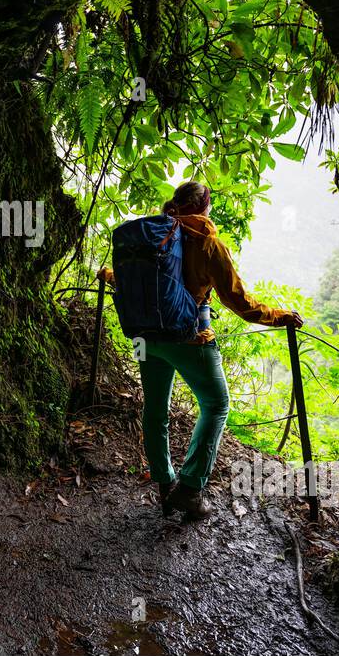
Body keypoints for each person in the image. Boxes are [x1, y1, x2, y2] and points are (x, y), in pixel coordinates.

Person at [101, 181, 303, 521]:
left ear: (175, 204)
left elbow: (130, 280)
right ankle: (191, 489)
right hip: (189, 339)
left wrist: (106, 275)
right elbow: (239, 302)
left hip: (146, 337)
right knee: (216, 404)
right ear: (206, 207)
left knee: (155, 411)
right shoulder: (209, 243)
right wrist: (280, 316)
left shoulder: (154, 235)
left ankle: (166, 484)